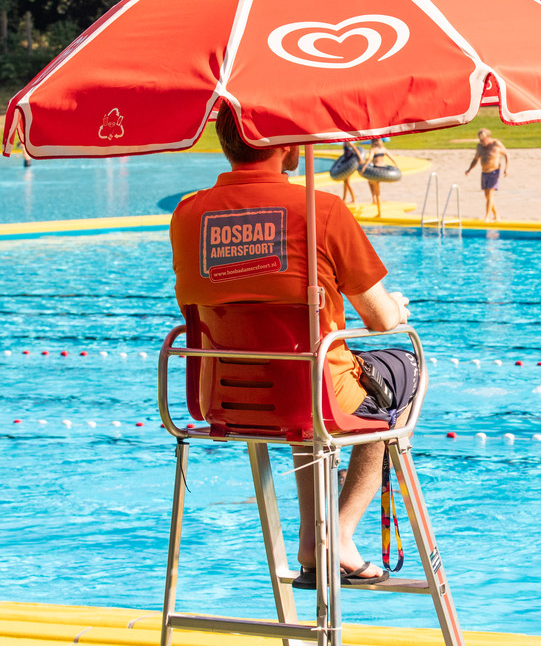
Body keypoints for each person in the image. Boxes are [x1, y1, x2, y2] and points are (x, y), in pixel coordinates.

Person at [169, 101, 417, 587]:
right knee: (403, 372)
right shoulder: (319, 210)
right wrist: (398, 308)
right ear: (283, 144)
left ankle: (312, 538)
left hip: (222, 398)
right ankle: (340, 533)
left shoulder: (186, 214)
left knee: (303, 384)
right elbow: (381, 317)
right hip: (313, 393)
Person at [465, 128, 510, 222]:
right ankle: (497, 216)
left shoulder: (496, 144)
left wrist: (506, 169)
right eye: (480, 140)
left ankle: (486, 217)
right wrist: (469, 169)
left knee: (490, 194)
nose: (482, 142)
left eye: (483, 140)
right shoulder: (479, 147)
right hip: (484, 172)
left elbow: (506, 155)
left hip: (494, 172)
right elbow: (476, 159)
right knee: (487, 196)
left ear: (488, 137)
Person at [363, 137, 399, 218]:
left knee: (377, 192)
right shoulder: (384, 149)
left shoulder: (373, 150)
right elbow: (392, 158)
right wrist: (397, 166)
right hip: (383, 168)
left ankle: (379, 213)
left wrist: (363, 168)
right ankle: (374, 200)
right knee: (370, 182)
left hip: (377, 171)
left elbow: (369, 159)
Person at [338, 139, 365, 204]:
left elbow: (356, 150)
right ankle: (344, 199)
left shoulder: (349, 143)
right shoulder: (345, 143)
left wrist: (360, 159)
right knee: (345, 182)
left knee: (347, 182)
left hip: (349, 166)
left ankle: (354, 199)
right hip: (346, 164)